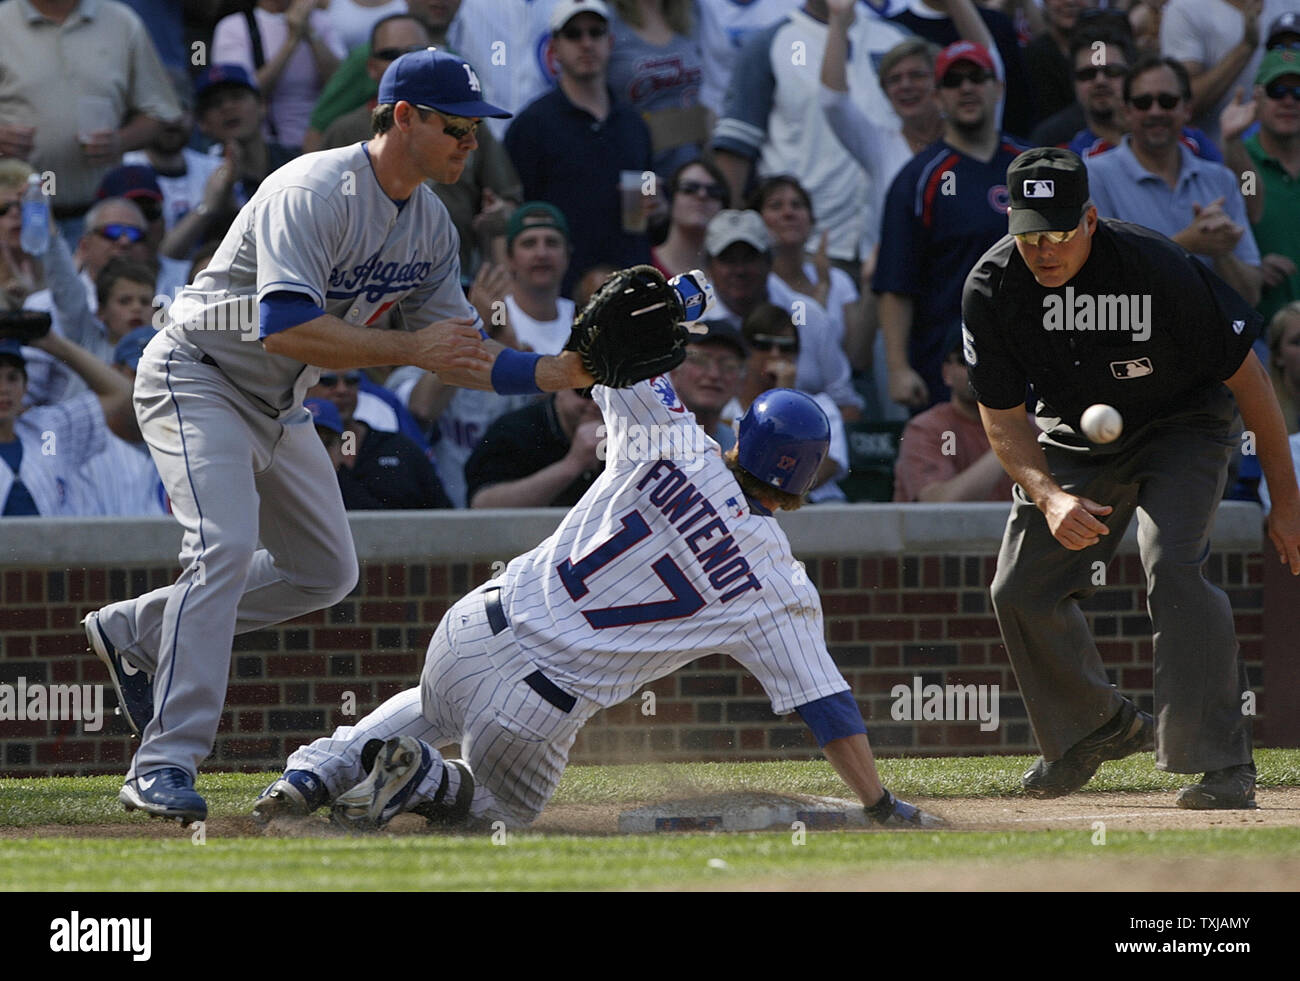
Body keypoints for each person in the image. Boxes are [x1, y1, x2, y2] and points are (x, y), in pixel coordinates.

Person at [80, 48, 607, 825]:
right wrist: (409, 348)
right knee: (221, 550)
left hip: (278, 402)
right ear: (404, 118)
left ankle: (136, 631)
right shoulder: (313, 187)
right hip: (198, 373)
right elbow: (287, 327)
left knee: (325, 569)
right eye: (457, 126)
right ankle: (162, 763)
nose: (471, 142)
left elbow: (464, 354)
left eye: (474, 129)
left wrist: (565, 369)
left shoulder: (429, 220)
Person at [251, 382, 945, 831]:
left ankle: (316, 771)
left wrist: (672, 300)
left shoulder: (678, 439)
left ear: (740, 437)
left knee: (433, 705)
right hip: (534, 707)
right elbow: (827, 707)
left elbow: (616, 354)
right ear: (810, 473)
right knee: (500, 813)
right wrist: (878, 802)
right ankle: (425, 775)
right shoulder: (776, 580)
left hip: (468, 627)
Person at [963, 146, 1300, 809]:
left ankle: (1222, 762)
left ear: (1090, 219)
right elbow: (1001, 418)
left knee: (1171, 560)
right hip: (1074, 432)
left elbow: (1252, 383)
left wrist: (1286, 503)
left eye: (1059, 232)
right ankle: (1092, 729)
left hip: (1186, 422)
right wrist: (1050, 495)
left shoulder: (1155, 265)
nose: (1043, 249)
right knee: (1018, 586)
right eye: (1029, 234)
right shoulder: (992, 287)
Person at [874, 41, 1029, 410]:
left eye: (977, 77)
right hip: (948, 366)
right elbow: (895, 284)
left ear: (998, 88)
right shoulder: (917, 180)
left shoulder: (1032, 167)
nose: (966, 88)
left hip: (1033, 356)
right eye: (953, 81)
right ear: (938, 97)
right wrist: (897, 368)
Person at [317, 12, 523, 279]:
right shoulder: (343, 134)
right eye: (391, 54)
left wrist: (501, 215)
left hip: (455, 276)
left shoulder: (472, 128)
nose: (404, 62)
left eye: (416, 51)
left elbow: (510, 200)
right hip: (360, 284)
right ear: (371, 67)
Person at [710, 0, 910, 269]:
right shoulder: (771, 43)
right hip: (802, 247)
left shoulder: (897, 40)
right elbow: (736, 149)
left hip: (891, 240)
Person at [504, 0, 655, 297]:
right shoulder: (531, 125)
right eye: (574, 34)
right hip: (558, 297)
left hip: (631, 289)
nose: (586, 43)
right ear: (554, 49)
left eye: (595, 32)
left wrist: (659, 208)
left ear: (610, 42)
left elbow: (651, 220)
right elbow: (515, 216)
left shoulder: (634, 124)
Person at [1085, 55, 1262, 307]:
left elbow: (1250, 297)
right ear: (1126, 111)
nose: (1156, 111)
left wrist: (1221, 252)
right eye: (1143, 102)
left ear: (1187, 109)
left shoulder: (1221, 179)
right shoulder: (1095, 176)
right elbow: (1103, 288)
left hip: (1216, 339)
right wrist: (1186, 245)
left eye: (1167, 101)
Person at [0, 0, 182, 243]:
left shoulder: (123, 22)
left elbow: (161, 111)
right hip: (14, 217)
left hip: (101, 221)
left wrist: (120, 141)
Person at [0, 332, 135, 517]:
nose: (3, 389)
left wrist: (49, 342)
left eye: (12, 378)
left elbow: (121, 391)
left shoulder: (47, 428)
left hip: (49, 545)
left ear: (25, 386)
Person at [892, 330, 1019, 502]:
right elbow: (938, 504)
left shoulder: (1035, 428)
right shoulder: (927, 429)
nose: (977, 367)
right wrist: (1009, 445)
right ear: (946, 373)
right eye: (965, 358)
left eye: (991, 357)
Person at [211, 0, 347, 156]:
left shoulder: (321, 20)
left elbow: (342, 87)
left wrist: (309, 32)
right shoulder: (233, 27)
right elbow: (243, 96)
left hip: (322, 144)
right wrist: (291, 41)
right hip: (266, 148)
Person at [302, 389, 453, 509]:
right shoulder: (288, 478)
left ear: (342, 447)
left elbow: (443, 514)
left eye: (327, 443)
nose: (319, 452)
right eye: (310, 443)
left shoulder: (396, 448)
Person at [606, 0, 707, 177]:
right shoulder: (606, 20)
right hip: (642, 169)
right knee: (649, 203)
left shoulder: (692, 13)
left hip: (691, 166)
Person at [465, 387, 605, 508]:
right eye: (586, 391)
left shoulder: (625, 426)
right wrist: (573, 465)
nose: (596, 403)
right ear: (560, 387)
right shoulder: (516, 429)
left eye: (608, 393)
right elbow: (482, 503)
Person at [1242, 48, 1300, 324]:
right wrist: (1251, 269)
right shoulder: (1239, 162)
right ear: (1257, 98)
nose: (1289, 101)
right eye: (1278, 90)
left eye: (1298, 91)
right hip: (1262, 333)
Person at [667, 320, 748, 450]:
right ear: (674, 371)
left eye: (729, 365)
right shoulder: (643, 438)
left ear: (741, 381)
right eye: (700, 361)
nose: (714, 374)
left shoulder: (740, 451)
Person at [652, 158, 729, 278]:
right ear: (670, 198)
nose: (702, 195)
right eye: (689, 189)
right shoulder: (642, 265)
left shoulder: (731, 277)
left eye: (713, 192)